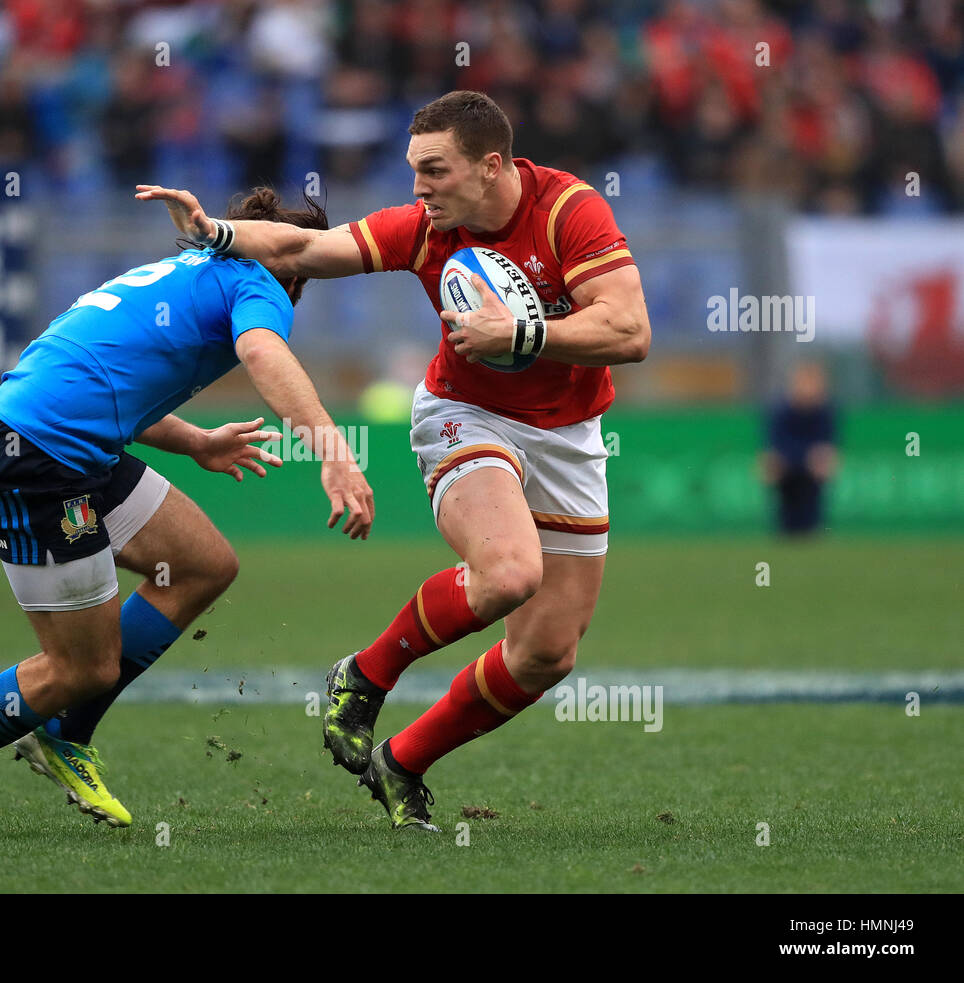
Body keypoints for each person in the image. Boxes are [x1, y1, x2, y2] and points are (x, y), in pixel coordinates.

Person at [138, 90, 650, 831]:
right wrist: (214, 231)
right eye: (414, 171)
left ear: (491, 164)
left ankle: (402, 760)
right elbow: (305, 250)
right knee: (509, 573)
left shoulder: (568, 211)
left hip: (568, 433)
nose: (419, 188)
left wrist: (524, 333)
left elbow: (630, 330)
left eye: (435, 170)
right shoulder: (421, 229)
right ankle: (367, 673)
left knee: (546, 653)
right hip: (464, 415)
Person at [0, 188, 373, 836]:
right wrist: (333, 452)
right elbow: (263, 354)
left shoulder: (191, 271)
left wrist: (197, 442)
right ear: (294, 259)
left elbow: (104, 377)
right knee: (80, 668)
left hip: (74, 450)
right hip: (38, 467)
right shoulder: (259, 283)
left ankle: (65, 735)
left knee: (202, 564)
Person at [761, 362, 839, 536]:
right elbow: (775, 445)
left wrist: (818, 458)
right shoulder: (781, 410)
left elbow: (828, 444)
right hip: (788, 463)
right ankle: (786, 526)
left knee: (821, 464)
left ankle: (812, 526)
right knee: (775, 466)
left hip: (810, 465)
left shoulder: (825, 411)